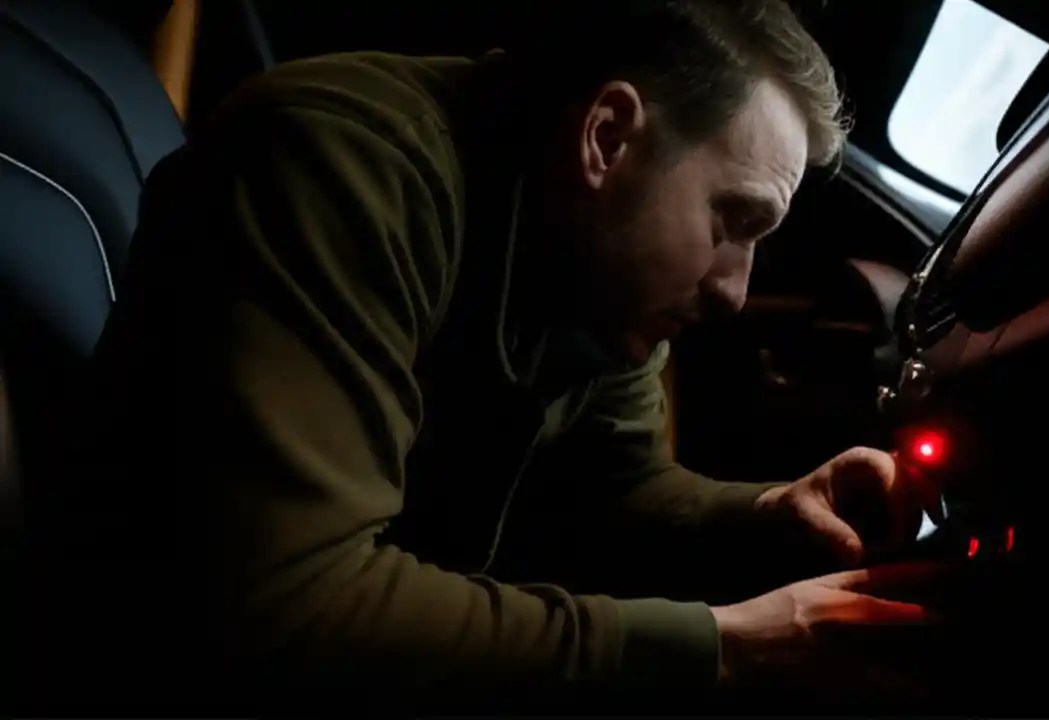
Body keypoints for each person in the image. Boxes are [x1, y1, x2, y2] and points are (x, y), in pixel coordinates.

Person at [51, 0, 944, 711]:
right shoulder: (344, 167)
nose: (733, 289)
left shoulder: (591, 269)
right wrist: (722, 647)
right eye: (732, 222)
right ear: (607, 136)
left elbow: (613, 493)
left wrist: (770, 515)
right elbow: (295, 607)